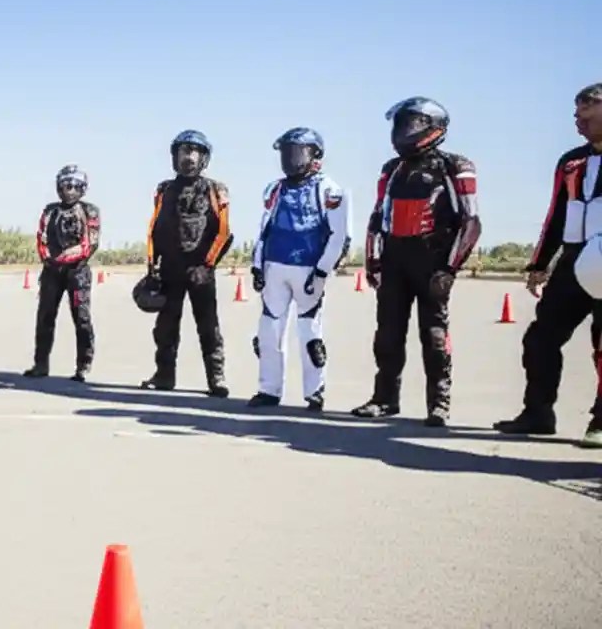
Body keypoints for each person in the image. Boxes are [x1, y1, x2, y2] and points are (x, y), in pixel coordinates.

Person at [354, 96, 481, 427]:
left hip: (433, 260)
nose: (402, 131)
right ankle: (384, 399)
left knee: (435, 334)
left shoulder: (456, 165)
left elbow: (471, 221)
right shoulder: (390, 169)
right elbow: (377, 217)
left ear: (433, 127)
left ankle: (439, 404)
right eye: (400, 123)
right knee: (387, 334)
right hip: (395, 258)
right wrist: (374, 263)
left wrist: (450, 269)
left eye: (410, 123)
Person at [492, 82, 602, 447]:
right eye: (576, 113)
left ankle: (599, 421)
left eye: (586, 112)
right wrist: (539, 264)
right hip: (573, 260)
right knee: (540, 338)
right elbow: (556, 214)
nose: (578, 120)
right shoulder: (572, 161)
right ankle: (538, 413)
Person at [248, 128, 351, 410]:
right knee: (268, 330)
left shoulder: (330, 190)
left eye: (297, 152)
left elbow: (338, 235)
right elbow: (264, 229)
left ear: (315, 154)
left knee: (310, 332)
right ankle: (268, 389)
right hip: (274, 267)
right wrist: (257, 265)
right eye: (287, 152)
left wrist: (322, 271)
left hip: (308, 269)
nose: (290, 159)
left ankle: (314, 390)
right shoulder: (274, 189)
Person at [140, 130, 233, 397]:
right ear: (175, 156)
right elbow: (154, 228)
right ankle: (164, 375)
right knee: (165, 326)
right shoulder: (164, 189)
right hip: (169, 268)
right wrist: (151, 266)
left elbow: (224, 231)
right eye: (183, 151)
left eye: (194, 152)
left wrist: (208, 265)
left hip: (200, 270)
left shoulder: (215, 189)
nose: (188, 157)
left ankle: (217, 379)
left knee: (208, 326)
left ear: (204, 158)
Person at [23, 164, 101, 381]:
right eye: (64, 185)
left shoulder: (89, 210)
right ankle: (41, 363)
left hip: (78, 272)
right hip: (51, 271)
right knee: (45, 316)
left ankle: (83, 365)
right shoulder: (50, 210)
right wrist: (49, 259)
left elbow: (90, 244)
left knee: (82, 318)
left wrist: (65, 258)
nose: (68, 190)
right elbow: (41, 238)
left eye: (73, 186)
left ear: (82, 188)